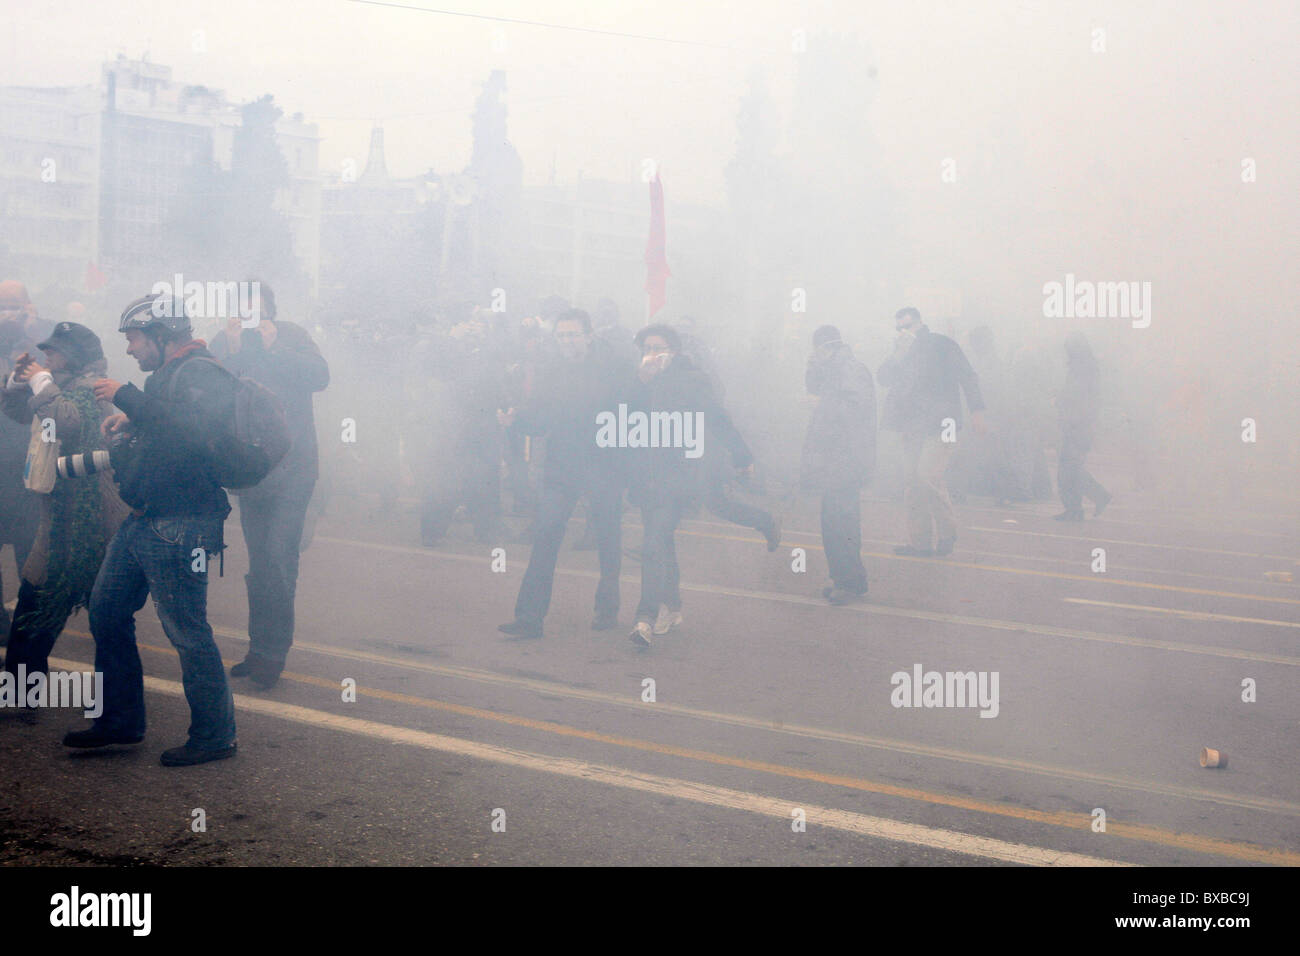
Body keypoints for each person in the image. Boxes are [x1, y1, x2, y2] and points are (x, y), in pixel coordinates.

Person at [63, 292, 238, 767]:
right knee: (105, 611)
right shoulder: (168, 375)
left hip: (181, 521)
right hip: (144, 517)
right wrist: (129, 422)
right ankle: (120, 720)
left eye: (135, 337)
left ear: (162, 335)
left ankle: (215, 735)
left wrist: (126, 397)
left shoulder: (199, 371)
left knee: (187, 630)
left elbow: (192, 433)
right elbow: (168, 432)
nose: (130, 349)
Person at [209, 283, 329, 688]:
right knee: (259, 564)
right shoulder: (227, 341)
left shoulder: (291, 335)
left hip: (294, 469)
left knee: (279, 561)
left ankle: (273, 655)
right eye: (242, 310)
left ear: (271, 311)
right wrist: (232, 347)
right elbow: (212, 390)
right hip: (252, 470)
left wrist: (275, 346)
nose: (250, 317)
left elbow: (320, 376)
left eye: (257, 310)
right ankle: (258, 648)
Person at [1, 323, 129, 675]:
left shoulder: (94, 390)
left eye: (54, 351)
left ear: (73, 358)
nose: (47, 356)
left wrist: (41, 381)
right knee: (37, 597)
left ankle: (116, 705)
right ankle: (23, 686)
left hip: (94, 520)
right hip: (62, 516)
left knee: (104, 614)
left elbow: (67, 423)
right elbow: (23, 413)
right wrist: (17, 381)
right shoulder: (62, 389)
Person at [497, 310, 629, 640]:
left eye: (573, 334)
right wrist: (517, 421)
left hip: (605, 465)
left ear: (589, 334)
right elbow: (541, 418)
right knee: (545, 534)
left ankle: (607, 606)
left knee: (608, 538)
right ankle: (529, 618)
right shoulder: (553, 371)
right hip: (562, 467)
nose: (567, 341)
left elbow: (631, 414)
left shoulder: (614, 368)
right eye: (562, 336)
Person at [625, 324, 753, 647]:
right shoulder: (638, 381)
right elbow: (619, 416)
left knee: (653, 544)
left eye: (658, 347)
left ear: (675, 351)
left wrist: (741, 455)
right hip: (645, 476)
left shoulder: (693, 380)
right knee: (661, 544)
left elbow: (717, 418)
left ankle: (645, 619)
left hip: (678, 477)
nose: (652, 355)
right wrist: (641, 383)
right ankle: (674, 605)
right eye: (647, 348)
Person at [878, 307, 986, 557]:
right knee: (912, 481)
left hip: (944, 423)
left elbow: (968, 376)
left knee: (928, 475)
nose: (904, 332)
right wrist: (897, 354)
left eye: (908, 326)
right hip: (912, 426)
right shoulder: (900, 353)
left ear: (920, 323)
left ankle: (947, 535)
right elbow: (883, 378)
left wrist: (977, 411)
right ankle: (920, 542)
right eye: (900, 328)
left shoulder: (941, 344)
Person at [801, 325, 875, 604]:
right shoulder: (834, 368)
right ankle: (842, 578)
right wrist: (812, 371)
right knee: (832, 522)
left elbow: (854, 411)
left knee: (841, 523)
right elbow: (817, 392)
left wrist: (821, 403)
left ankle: (851, 582)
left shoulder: (850, 369)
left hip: (846, 459)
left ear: (825, 347)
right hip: (834, 459)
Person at [1054, 333, 1111, 520]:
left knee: (1068, 469)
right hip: (1078, 425)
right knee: (1072, 467)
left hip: (1078, 426)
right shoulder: (1086, 368)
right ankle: (1079, 506)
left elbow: (1079, 398)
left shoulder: (1082, 370)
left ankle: (1078, 506)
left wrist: (1063, 405)